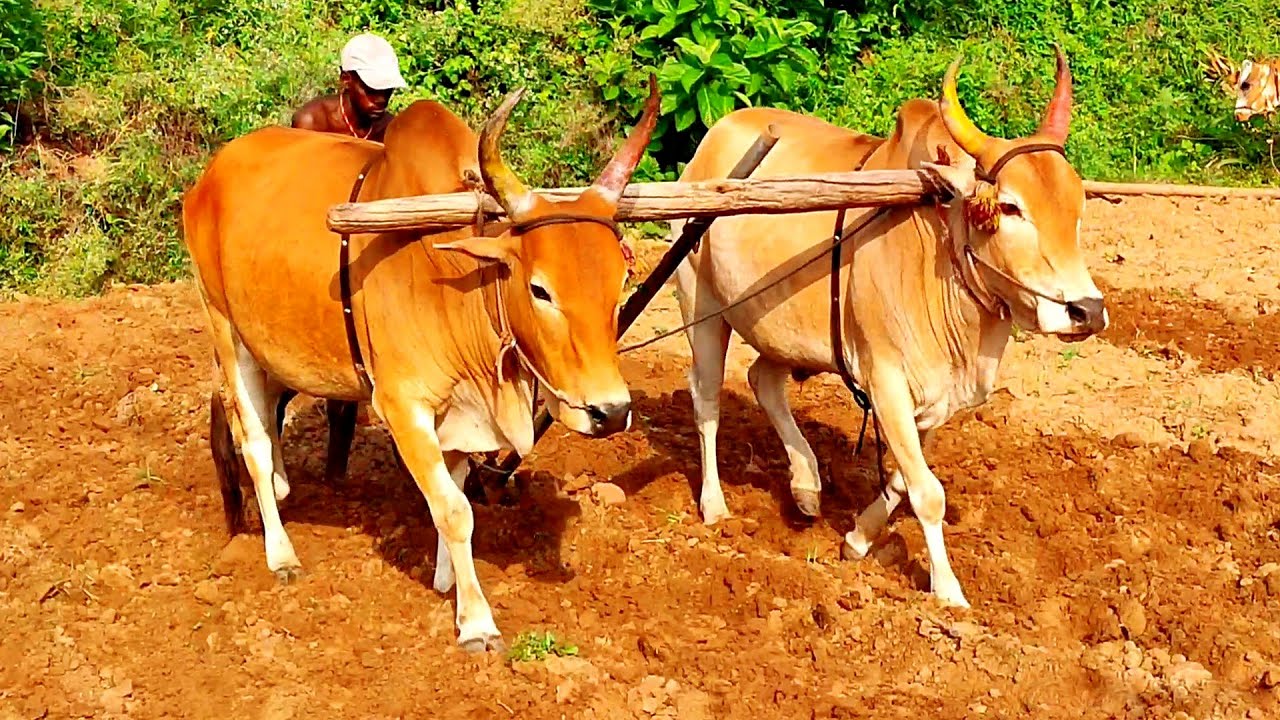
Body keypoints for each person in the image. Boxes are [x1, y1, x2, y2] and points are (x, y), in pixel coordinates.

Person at [291, 32, 408, 142]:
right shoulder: (312, 123)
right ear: (346, 79)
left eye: (387, 90)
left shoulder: (389, 129)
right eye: (371, 90)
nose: (381, 99)